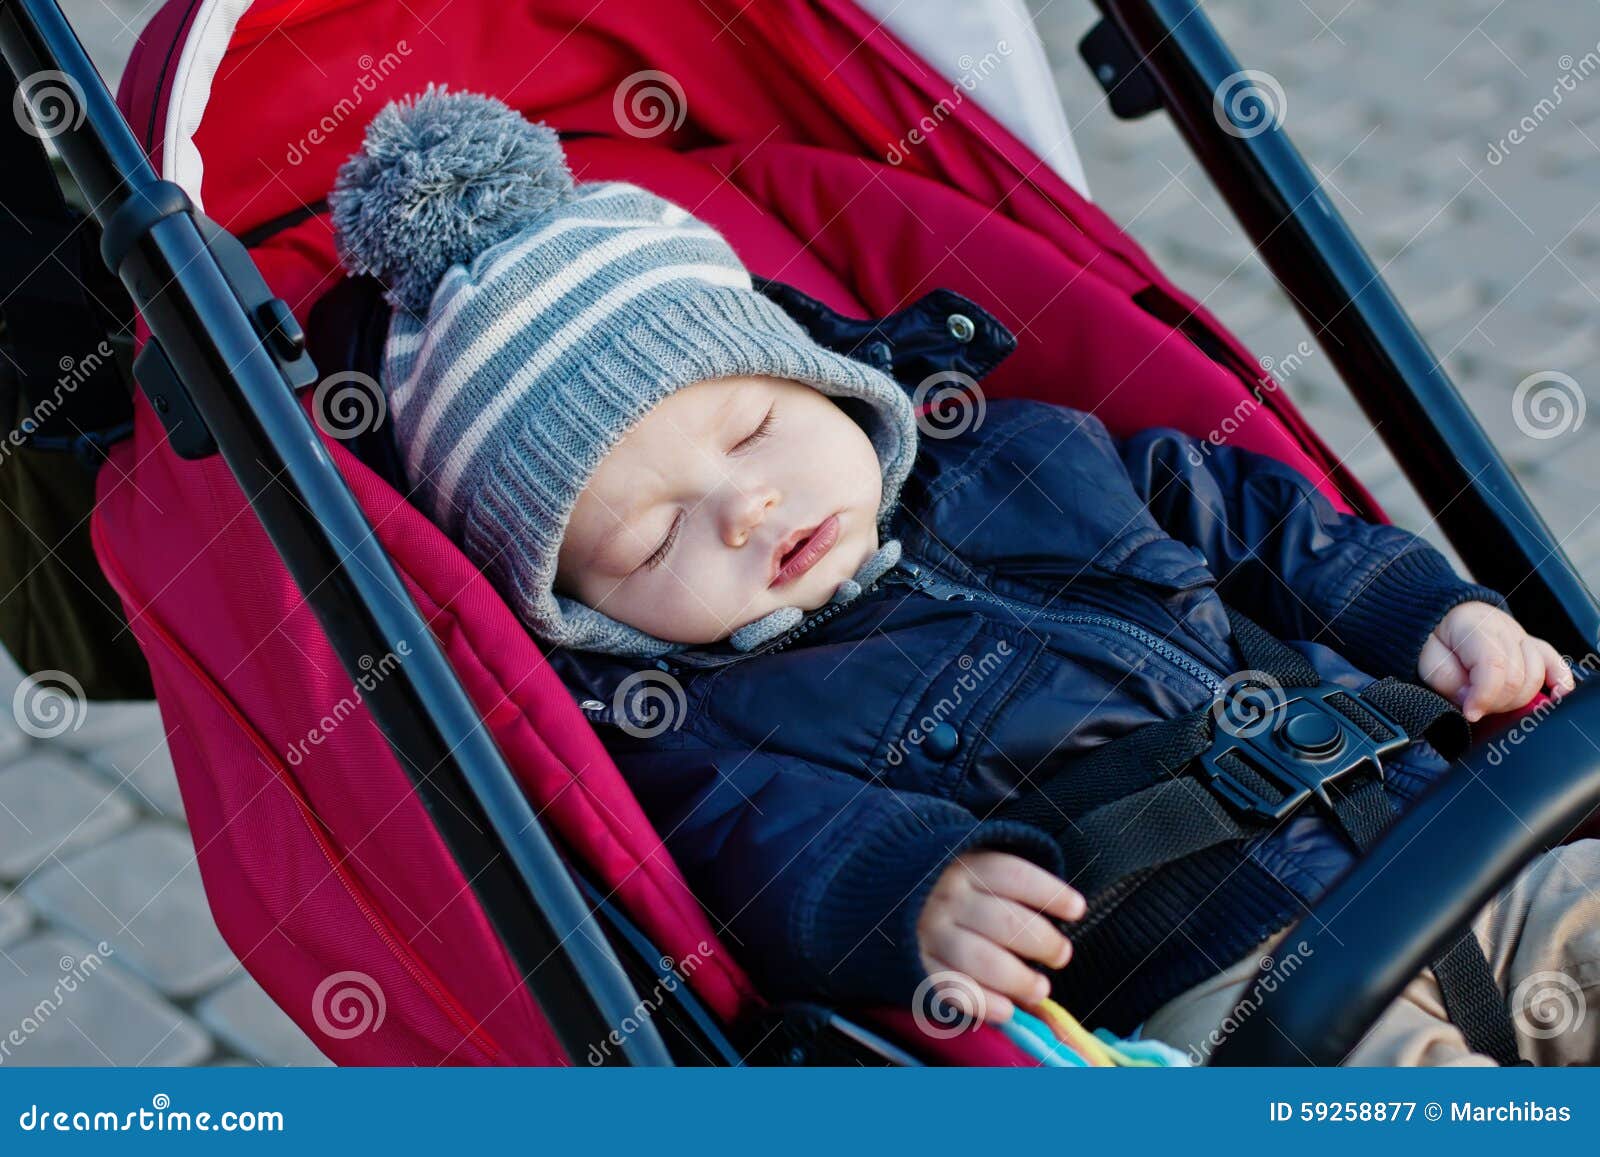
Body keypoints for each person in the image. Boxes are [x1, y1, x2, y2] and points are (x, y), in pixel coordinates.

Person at [330, 86, 1591, 1066]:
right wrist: (910, 895)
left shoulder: (1029, 453)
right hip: (1225, 983)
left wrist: (1419, 610)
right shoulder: (697, 728)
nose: (745, 507)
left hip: (1435, 815)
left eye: (755, 430)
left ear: (831, 380)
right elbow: (759, 848)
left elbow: (1255, 517)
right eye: (654, 541)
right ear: (585, 617)